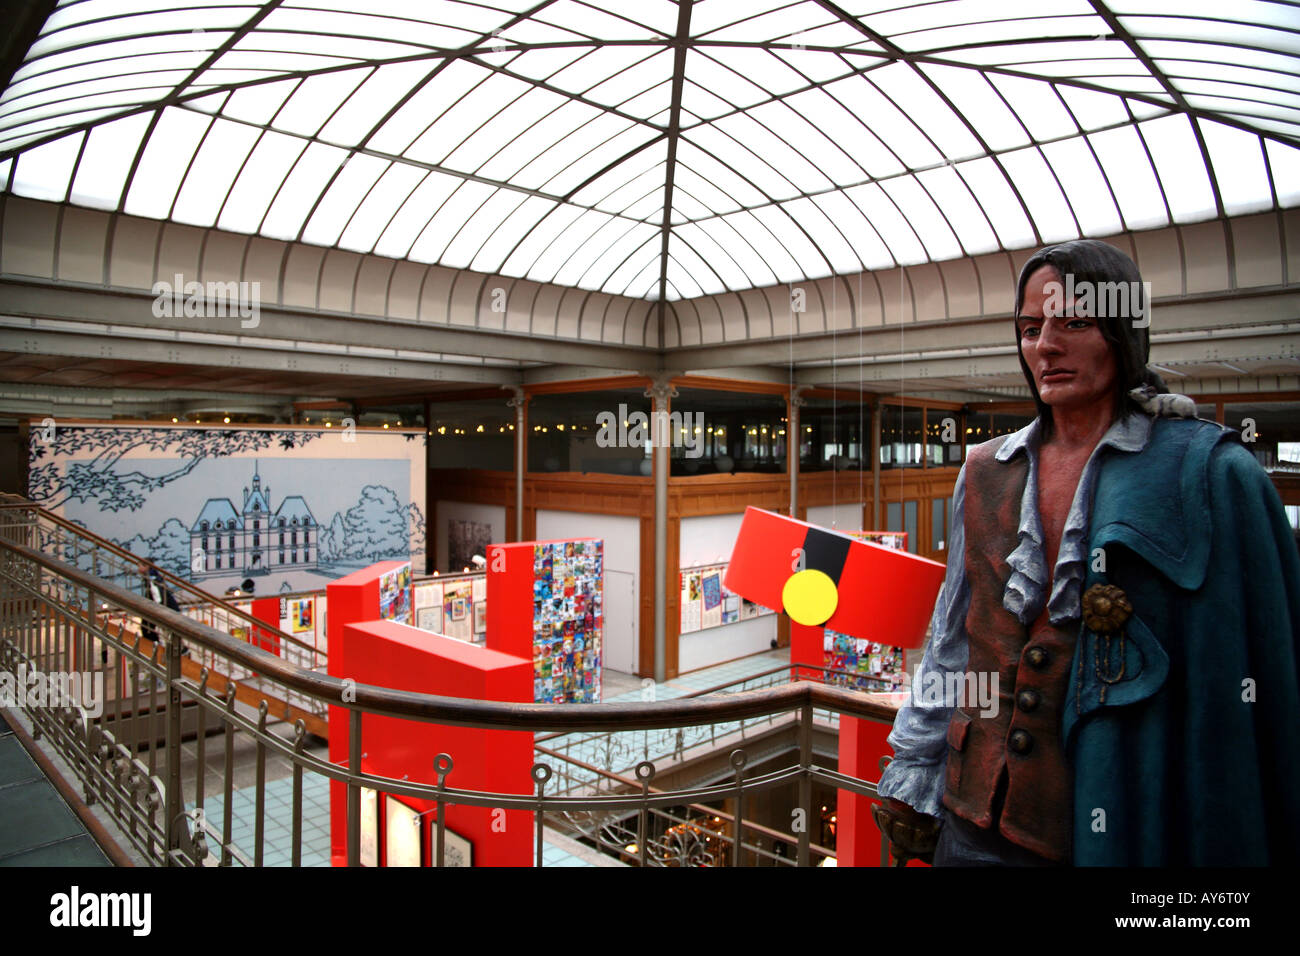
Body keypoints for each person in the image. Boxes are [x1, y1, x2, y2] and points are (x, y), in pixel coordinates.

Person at [873, 239, 1300, 866]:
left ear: (1123, 331)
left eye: (1074, 322)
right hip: (969, 820)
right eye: (1030, 328)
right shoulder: (985, 469)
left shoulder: (1207, 474)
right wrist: (914, 768)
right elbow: (952, 642)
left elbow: (1250, 679)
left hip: (1109, 824)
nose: (1046, 344)